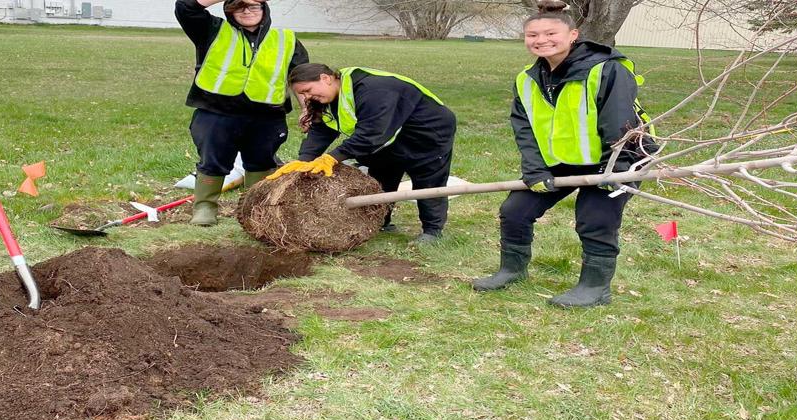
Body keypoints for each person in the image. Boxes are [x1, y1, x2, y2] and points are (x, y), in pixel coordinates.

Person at [473, 0, 655, 307]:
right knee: (515, 210)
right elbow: (525, 129)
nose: (541, 40)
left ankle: (596, 288)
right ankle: (511, 269)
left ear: (573, 35)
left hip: (615, 159)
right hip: (562, 161)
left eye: (550, 33)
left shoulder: (607, 70)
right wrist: (534, 170)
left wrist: (618, 168)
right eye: (532, 35)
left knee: (595, 217)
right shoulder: (528, 80)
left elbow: (621, 123)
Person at [265, 63, 457, 245]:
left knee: (428, 181)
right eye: (302, 94)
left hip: (426, 135)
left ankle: (432, 231)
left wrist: (331, 157)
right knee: (381, 179)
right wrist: (305, 159)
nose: (307, 97)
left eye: (308, 90)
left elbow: (371, 134)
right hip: (388, 140)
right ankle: (381, 223)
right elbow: (324, 128)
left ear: (326, 78)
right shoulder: (331, 97)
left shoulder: (374, 90)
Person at [175, 0, 309, 225]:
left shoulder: (286, 39)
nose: (247, 11)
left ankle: (256, 209)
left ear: (264, 9)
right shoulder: (212, 29)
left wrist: (307, 108)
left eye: (254, 6)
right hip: (217, 112)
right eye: (240, 6)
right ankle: (205, 208)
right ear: (230, 10)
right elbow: (186, 6)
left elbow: (301, 78)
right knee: (212, 160)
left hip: (267, 115)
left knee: (262, 162)